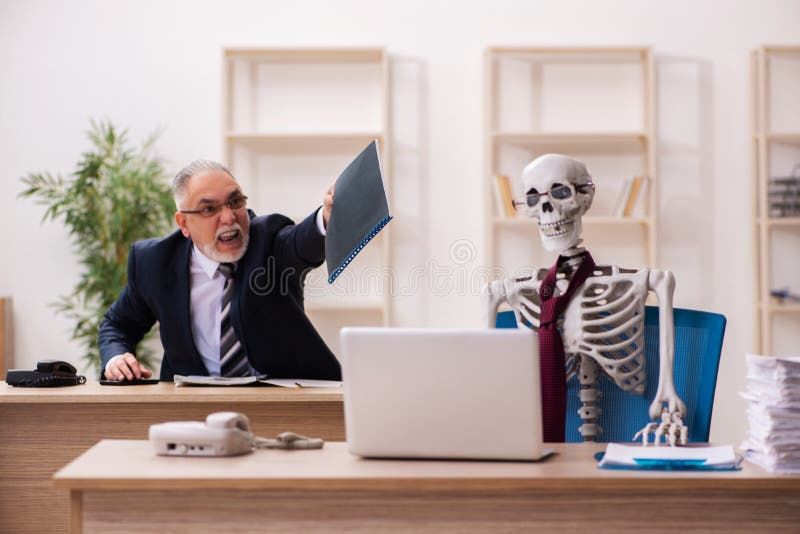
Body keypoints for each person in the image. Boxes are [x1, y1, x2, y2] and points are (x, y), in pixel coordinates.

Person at [98, 159, 341, 381]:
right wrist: (116, 357)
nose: (228, 217)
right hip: (193, 406)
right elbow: (118, 324)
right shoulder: (155, 262)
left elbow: (300, 243)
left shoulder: (269, 237)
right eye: (209, 209)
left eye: (235, 202)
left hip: (284, 402)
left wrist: (327, 217)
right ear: (184, 223)